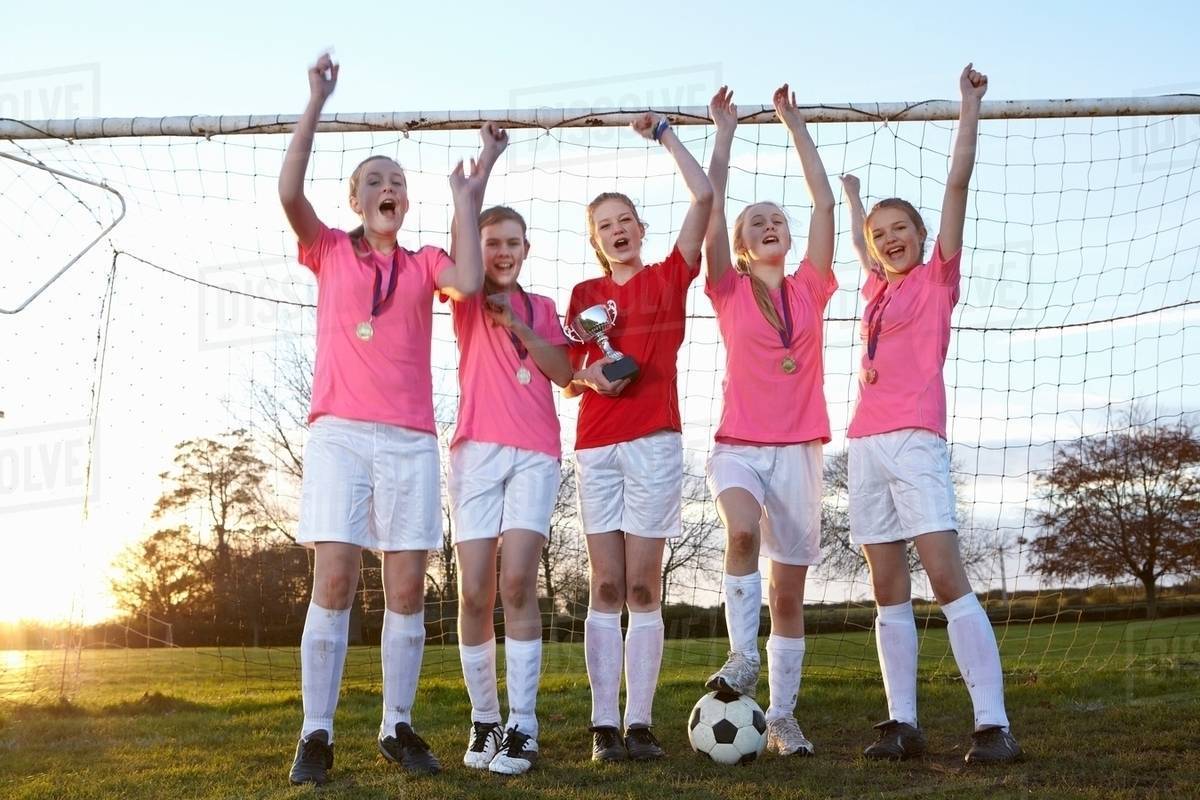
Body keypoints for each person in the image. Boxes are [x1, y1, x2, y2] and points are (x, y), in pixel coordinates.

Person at [279, 52, 485, 785]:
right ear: (354, 198)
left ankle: (397, 726)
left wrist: (469, 192)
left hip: (409, 441)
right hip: (338, 434)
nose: (388, 187)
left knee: (405, 591)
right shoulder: (328, 249)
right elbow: (288, 189)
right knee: (332, 582)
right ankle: (316, 733)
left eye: (397, 181)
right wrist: (315, 100)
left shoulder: (427, 260)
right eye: (375, 181)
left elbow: (468, 279)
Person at [842, 64, 1022, 765]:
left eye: (899, 228)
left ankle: (991, 725)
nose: (889, 239)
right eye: (879, 232)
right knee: (886, 584)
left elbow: (956, 185)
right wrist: (853, 196)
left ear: (921, 235)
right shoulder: (874, 290)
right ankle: (902, 723)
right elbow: (858, 240)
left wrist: (968, 108)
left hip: (916, 439)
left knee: (944, 576)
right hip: (864, 444)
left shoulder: (937, 278)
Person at [563, 112, 713, 762]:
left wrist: (665, 135)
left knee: (645, 588)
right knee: (605, 587)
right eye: (605, 225)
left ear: (641, 230)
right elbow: (570, 378)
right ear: (595, 241)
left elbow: (705, 197)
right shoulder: (584, 295)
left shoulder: (668, 278)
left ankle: (641, 724)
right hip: (597, 444)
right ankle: (603, 728)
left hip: (654, 440)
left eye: (625, 220)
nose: (617, 231)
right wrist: (593, 378)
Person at [702, 84, 836, 757]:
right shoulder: (726, 289)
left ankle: (781, 716)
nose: (769, 224)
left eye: (775, 218)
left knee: (789, 596)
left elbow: (824, 202)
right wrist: (723, 132)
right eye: (756, 222)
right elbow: (714, 204)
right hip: (738, 448)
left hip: (799, 453)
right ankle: (739, 655)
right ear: (741, 245)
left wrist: (794, 121)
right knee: (742, 535)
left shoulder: (811, 287)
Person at [445, 126, 573, 775]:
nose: (500, 251)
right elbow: (460, 249)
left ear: (526, 249)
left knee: (518, 581)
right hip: (476, 454)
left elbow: (559, 372)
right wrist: (485, 166)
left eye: (510, 243)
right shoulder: (464, 300)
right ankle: (485, 720)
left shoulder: (543, 307)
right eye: (492, 242)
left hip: (534, 455)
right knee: (474, 594)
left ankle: (523, 725)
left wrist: (519, 323)